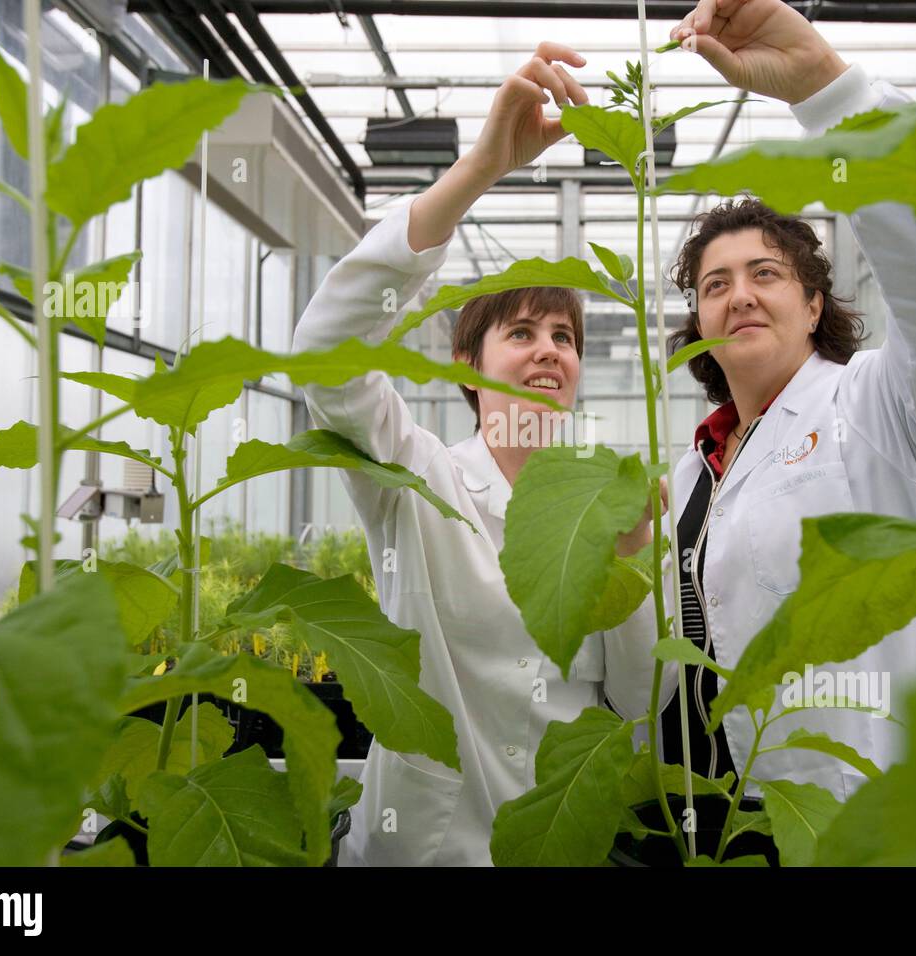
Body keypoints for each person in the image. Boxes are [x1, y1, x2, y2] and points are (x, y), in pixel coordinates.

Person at [291, 42, 669, 866]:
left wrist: (638, 554)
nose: (548, 351)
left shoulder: (605, 504)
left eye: (564, 336)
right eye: (521, 332)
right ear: (468, 364)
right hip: (427, 847)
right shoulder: (416, 477)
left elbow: (641, 707)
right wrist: (480, 171)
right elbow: (325, 349)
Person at [660, 0, 916, 800]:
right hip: (738, 818)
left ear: (815, 305)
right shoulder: (691, 474)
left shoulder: (881, 408)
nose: (740, 297)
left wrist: (826, 89)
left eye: (767, 275)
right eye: (716, 286)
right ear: (699, 322)